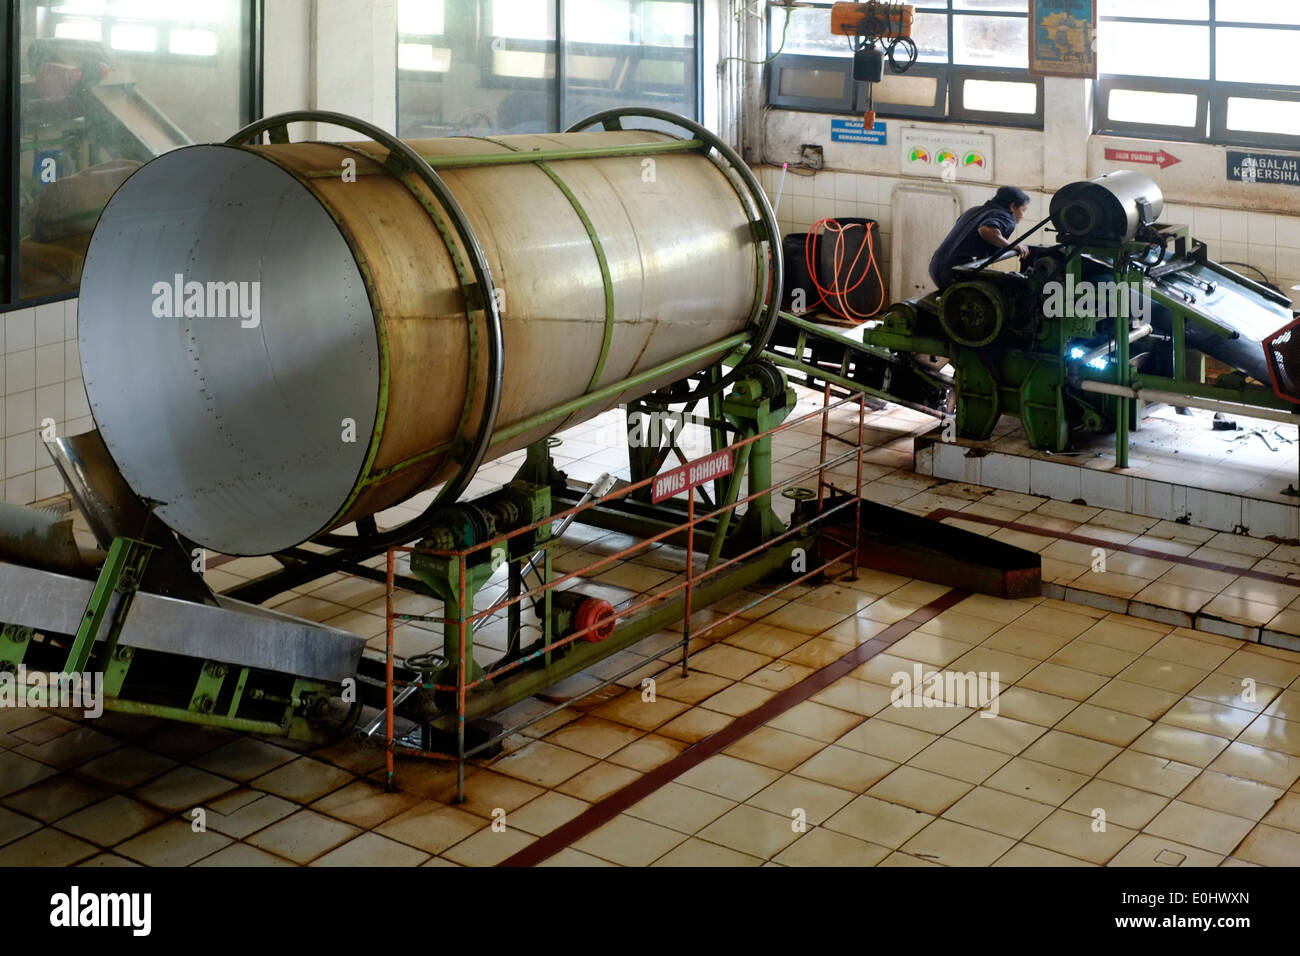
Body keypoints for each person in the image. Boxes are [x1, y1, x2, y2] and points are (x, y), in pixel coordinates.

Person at [928, 186, 1032, 290]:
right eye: (1023, 209)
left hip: (936, 266)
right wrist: (1013, 246)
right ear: (1013, 206)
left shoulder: (973, 210)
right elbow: (985, 230)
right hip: (957, 271)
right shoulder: (1006, 217)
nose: (1023, 215)